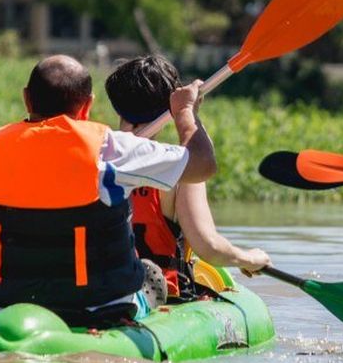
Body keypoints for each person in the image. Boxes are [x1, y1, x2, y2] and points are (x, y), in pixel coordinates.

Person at [0, 55, 216, 327]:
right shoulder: (110, 149)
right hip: (96, 307)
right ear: (87, 106)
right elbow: (203, 163)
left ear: (27, 98)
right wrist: (186, 111)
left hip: (1, 308)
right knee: (148, 273)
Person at [104, 55, 270, 301]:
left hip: (106, 289)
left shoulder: (95, 158)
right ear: (168, 109)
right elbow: (209, 247)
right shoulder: (179, 169)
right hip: (163, 296)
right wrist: (249, 258)